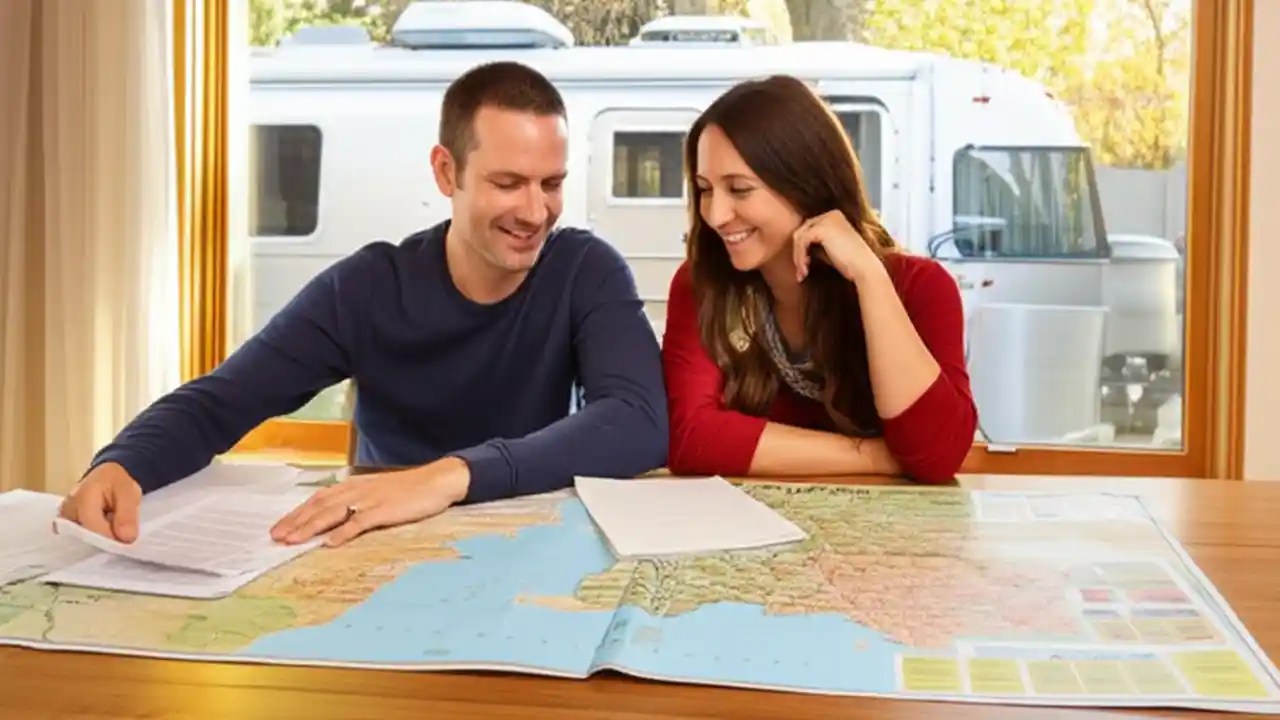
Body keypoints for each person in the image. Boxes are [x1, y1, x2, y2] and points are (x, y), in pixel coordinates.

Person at [59, 61, 669, 547]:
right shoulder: (367, 287)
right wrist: (122, 463)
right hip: (379, 546)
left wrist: (448, 478)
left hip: (529, 539)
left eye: (552, 184)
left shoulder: (584, 270)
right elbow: (222, 401)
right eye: (508, 184)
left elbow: (640, 422)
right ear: (444, 171)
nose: (536, 212)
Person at [662, 75, 976, 483]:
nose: (716, 214)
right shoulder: (701, 285)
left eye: (740, 190)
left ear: (806, 185)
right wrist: (878, 456)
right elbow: (691, 440)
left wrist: (869, 279)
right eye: (705, 189)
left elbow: (936, 455)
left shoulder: (921, 287)